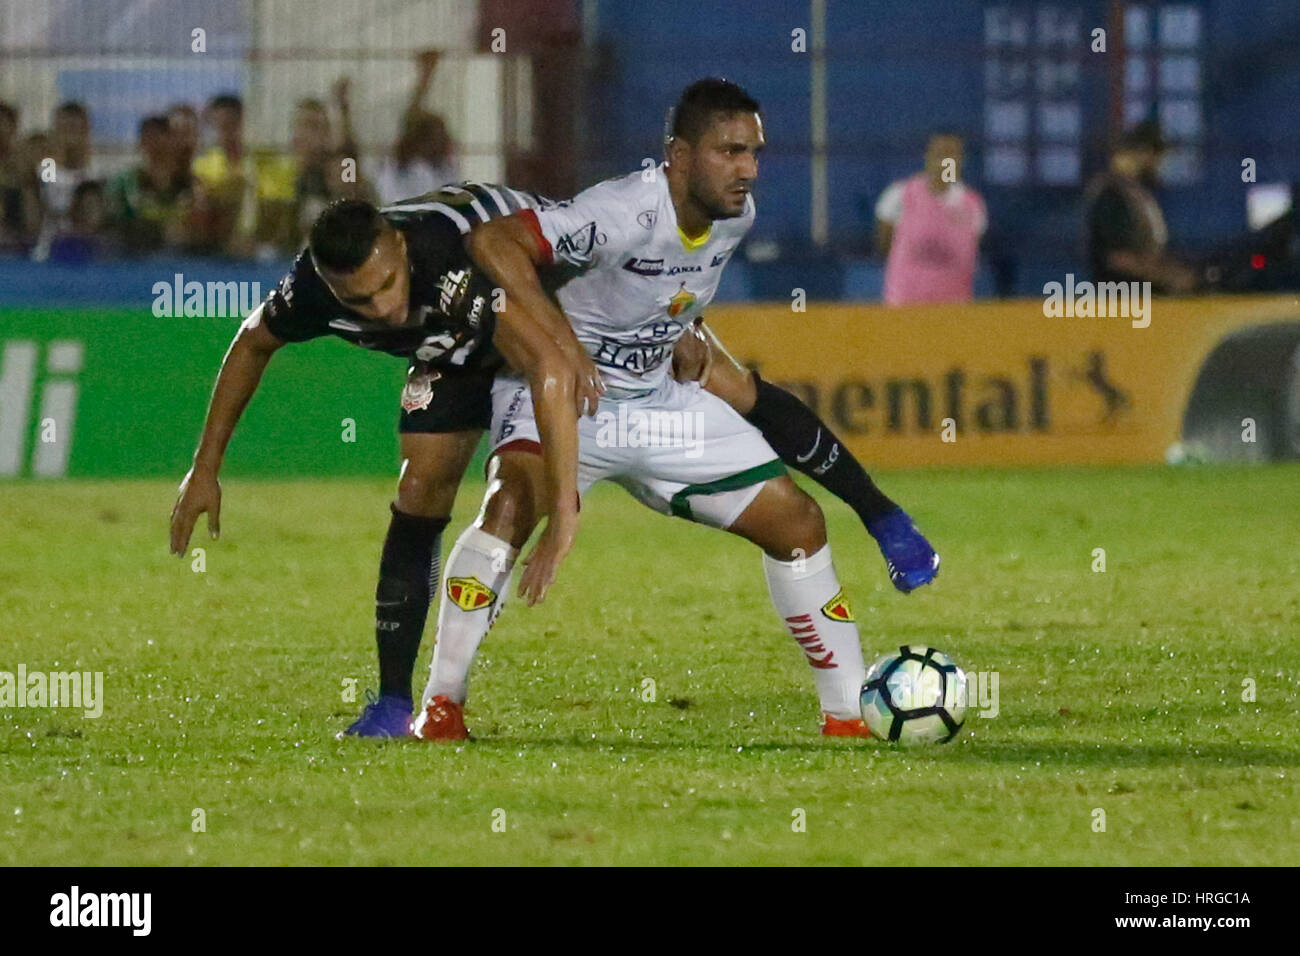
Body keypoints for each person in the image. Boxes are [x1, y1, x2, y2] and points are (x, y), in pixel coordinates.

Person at [411, 79, 940, 743]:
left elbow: (670, 302)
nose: (748, 169)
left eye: (754, 152)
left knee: (797, 520)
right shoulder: (622, 210)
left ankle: (846, 719)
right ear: (680, 158)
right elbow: (492, 243)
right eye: (730, 152)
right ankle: (440, 708)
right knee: (512, 505)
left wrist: (684, 330)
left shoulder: (733, 218)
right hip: (562, 397)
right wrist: (559, 341)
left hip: (658, 404)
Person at [169, 187, 597, 736]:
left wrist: (564, 509)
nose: (384, 309)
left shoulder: (451, 262)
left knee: (516, 490)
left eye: (389, 285)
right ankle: (393, 705)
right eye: (360, 302)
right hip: (453, 348)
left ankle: (444, 698)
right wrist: (205, 468)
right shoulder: (311, 291)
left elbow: (546, 363)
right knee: (418, 488)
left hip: (551, 319)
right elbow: (252, 342)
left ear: (400, 246)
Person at [1083, 119, 1197, 293]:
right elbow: (1116, 258)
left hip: (1143, 300)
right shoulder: (1112, 195)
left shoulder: (1136, 194)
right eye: (1160, 156)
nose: (1161, 164)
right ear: (1144, 152)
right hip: (1121, 303)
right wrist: (1166, 278)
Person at [875, 130, 987, 305]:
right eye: (940, 154)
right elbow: (884, 244)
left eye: (952, 155)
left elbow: (971, 251)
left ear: (962, 159)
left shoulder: (973, 205)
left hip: (953, 307)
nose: (945, 162)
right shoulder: (898, 195)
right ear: (928, 156)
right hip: (905, 305)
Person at [373, 50, 460, 204]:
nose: (444, 141)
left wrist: (426, 76)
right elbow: (410, 121)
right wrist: (426, 76)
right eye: (435, 137)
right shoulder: (397, 167)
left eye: (443, 136)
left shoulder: (443, 168)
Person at [105, 115, 195, 255]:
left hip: (182, 258)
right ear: (141, 142)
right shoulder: (125, 182)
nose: (154, 144)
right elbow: (112, 223)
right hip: (136, 256)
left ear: (172, 141)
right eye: (148, 138)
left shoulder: (190, 182)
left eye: (159, 137)